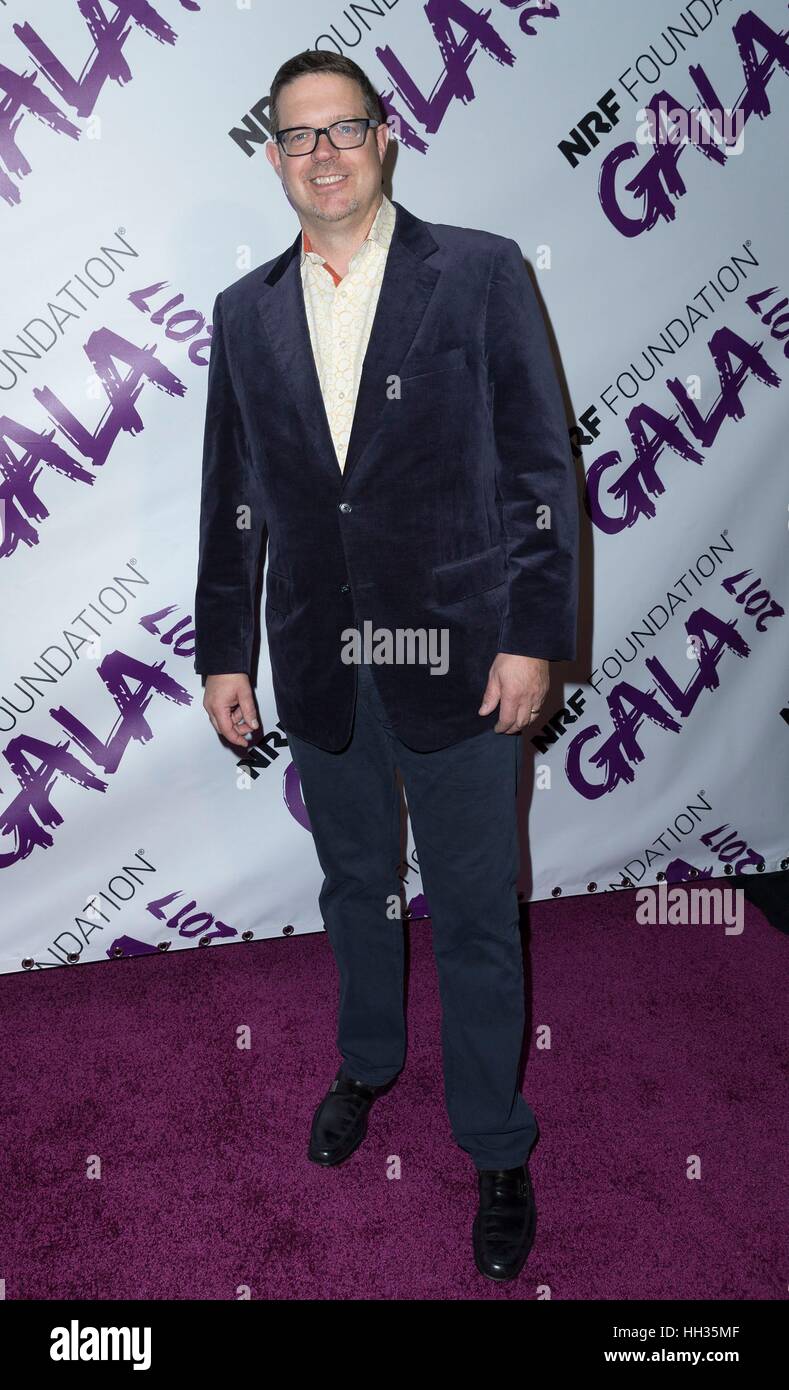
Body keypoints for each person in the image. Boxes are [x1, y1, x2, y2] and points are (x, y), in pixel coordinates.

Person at [194, 48, 579, 1283]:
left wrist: (533, 636)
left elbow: (538, 472)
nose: (322, 153)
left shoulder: (477, 273)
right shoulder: (244, 311)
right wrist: (223, 648)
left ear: (384, 138)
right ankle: (368, 1063)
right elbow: (234, 498)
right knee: (354, 888)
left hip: (467, 661)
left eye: (342, 128)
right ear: (274, 157)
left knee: (473, 915)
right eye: (298, 137)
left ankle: (496, 1143)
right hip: (321, 661)